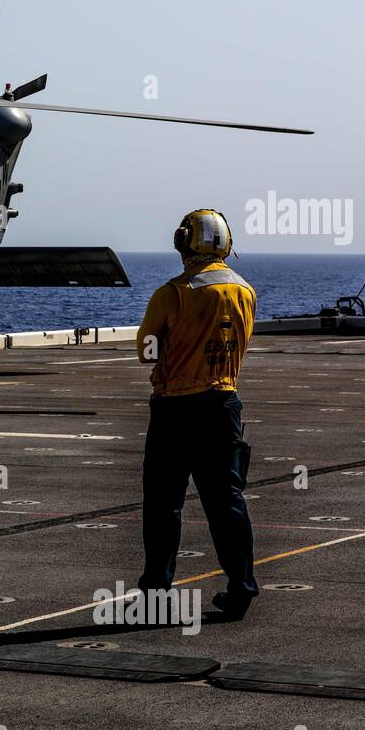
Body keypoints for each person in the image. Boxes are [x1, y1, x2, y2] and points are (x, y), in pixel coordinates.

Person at [136, 209, 258, 619]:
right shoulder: (245, 291)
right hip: (223, 405)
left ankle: (156, 595)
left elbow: (145, 351)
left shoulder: (174, 292)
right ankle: (241, 587)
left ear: (183, 241)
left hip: (175, 408)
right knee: (227, 501)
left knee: (164, 504)